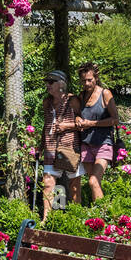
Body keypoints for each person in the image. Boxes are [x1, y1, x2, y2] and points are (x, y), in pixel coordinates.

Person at [39, 70, 82, 216]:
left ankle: (76, 216)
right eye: (47, 82)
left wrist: (66, 126)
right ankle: (47, 219)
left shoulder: (73, 101)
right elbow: (46, 125)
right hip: (50, 148)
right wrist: (40, 147)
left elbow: (83, 123)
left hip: (69, 147)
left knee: (74, 184)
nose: (47, 85)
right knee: (48, 183)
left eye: (51, 82)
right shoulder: (47, 102)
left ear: (61, 84)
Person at [75, 61, 119, 202]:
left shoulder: (105, 94)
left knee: (93, 181)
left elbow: (115, 119)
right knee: (94, 183)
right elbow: (78, 113)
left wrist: (91, 123)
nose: (87, 84)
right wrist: (78, 119)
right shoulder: (81, 96)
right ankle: (98, 217)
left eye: (90, 80)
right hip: (86, 144)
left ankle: (101, 214)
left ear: (96, 78)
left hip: (103, 143)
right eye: (83, 81)